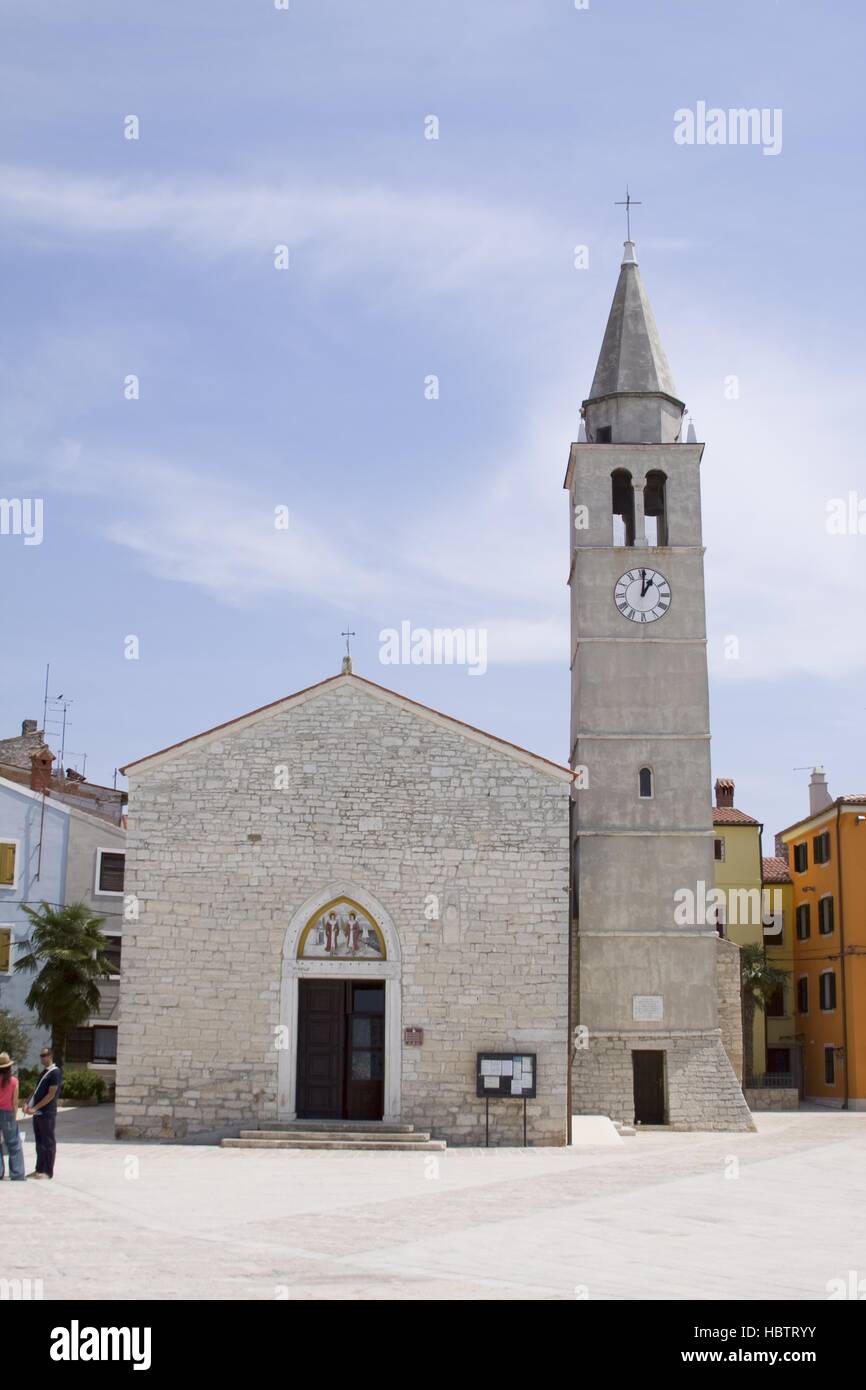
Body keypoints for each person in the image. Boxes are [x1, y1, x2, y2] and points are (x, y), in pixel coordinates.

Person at [24, 1046, 62, 1180]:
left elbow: (51, 1094)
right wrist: (27, 1103)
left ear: (51, 1055)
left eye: (44, 1055)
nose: (42, 1057)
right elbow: (36, 1090)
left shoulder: (55, 1072)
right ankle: (39, 1169)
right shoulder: (44, 1072)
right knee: (39, 1142)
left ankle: (47, 1171)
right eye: (41, 1055)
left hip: (47, 1112)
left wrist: (36, 1107)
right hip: (38, 1113)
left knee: (48, 1142)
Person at [0, 1052, 26, 1181]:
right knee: (14, 1144)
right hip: (8, 1113)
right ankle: (17, 1173)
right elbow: (15, 1101)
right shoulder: (14, 1081)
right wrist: (15, 1115)